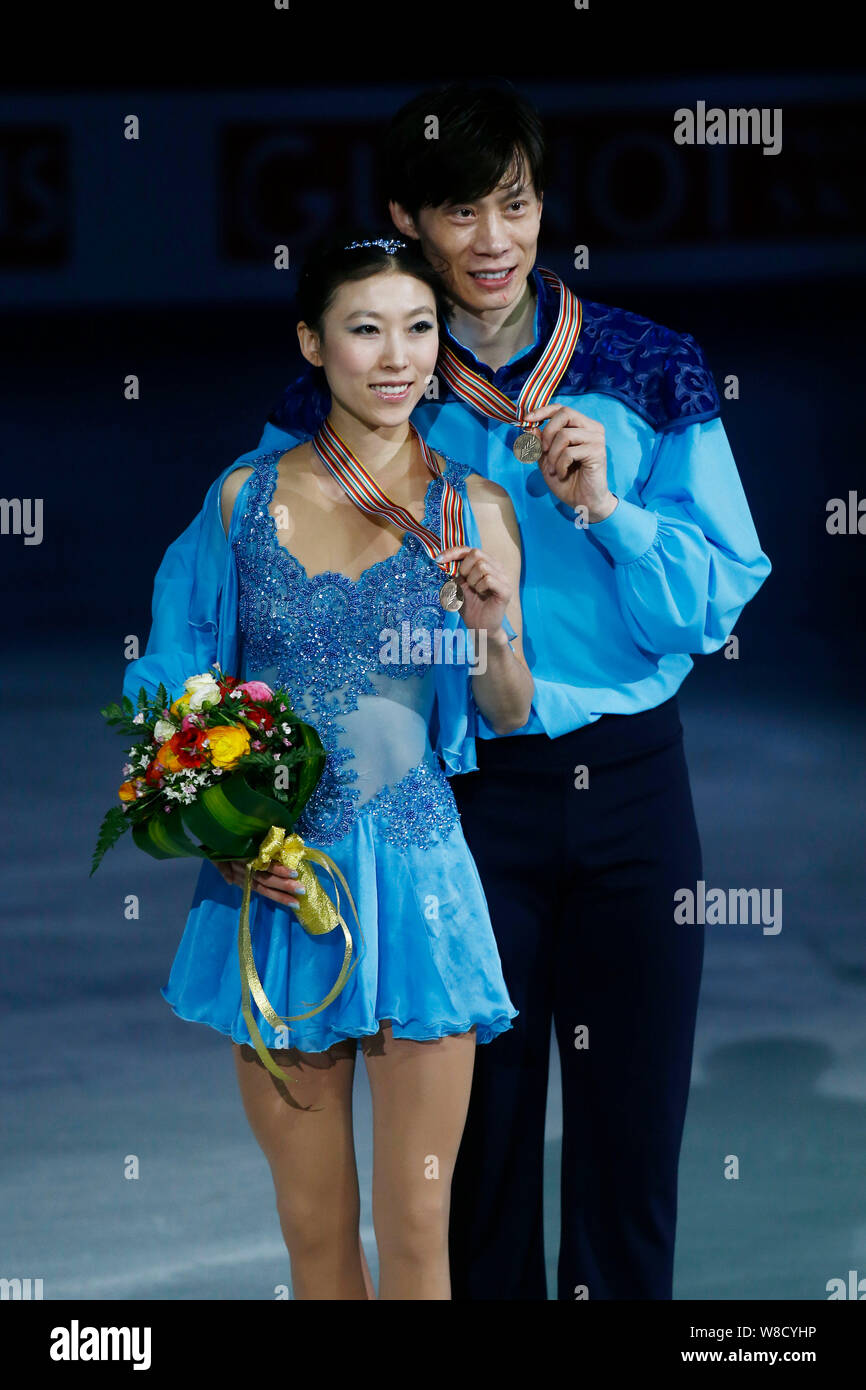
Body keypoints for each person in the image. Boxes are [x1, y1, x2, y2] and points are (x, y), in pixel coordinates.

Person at [229, 83, 773, 1301]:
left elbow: (713, 601)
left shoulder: (647, 366)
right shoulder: (359, 387)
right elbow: (268, 620)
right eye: (459, 210)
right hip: (453, 805)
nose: (490, 240)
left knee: (630, 1155)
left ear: (542, 208)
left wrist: (609, 512)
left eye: (513, 205)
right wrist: (253, 807)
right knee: (469, 1173)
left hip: (632, 785)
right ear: (403, 219)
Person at [121, 235, 534, 1301]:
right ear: (312, 342)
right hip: (280, 893)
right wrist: (227, 839)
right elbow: (175, 697)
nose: (396, 356)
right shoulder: (242, 502)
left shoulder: (472, 510)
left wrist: (489, 628)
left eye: (417, 329)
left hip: (418, 883)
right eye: (364, 328)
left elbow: (507, 707)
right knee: (314, 1239)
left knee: (418, 1237)